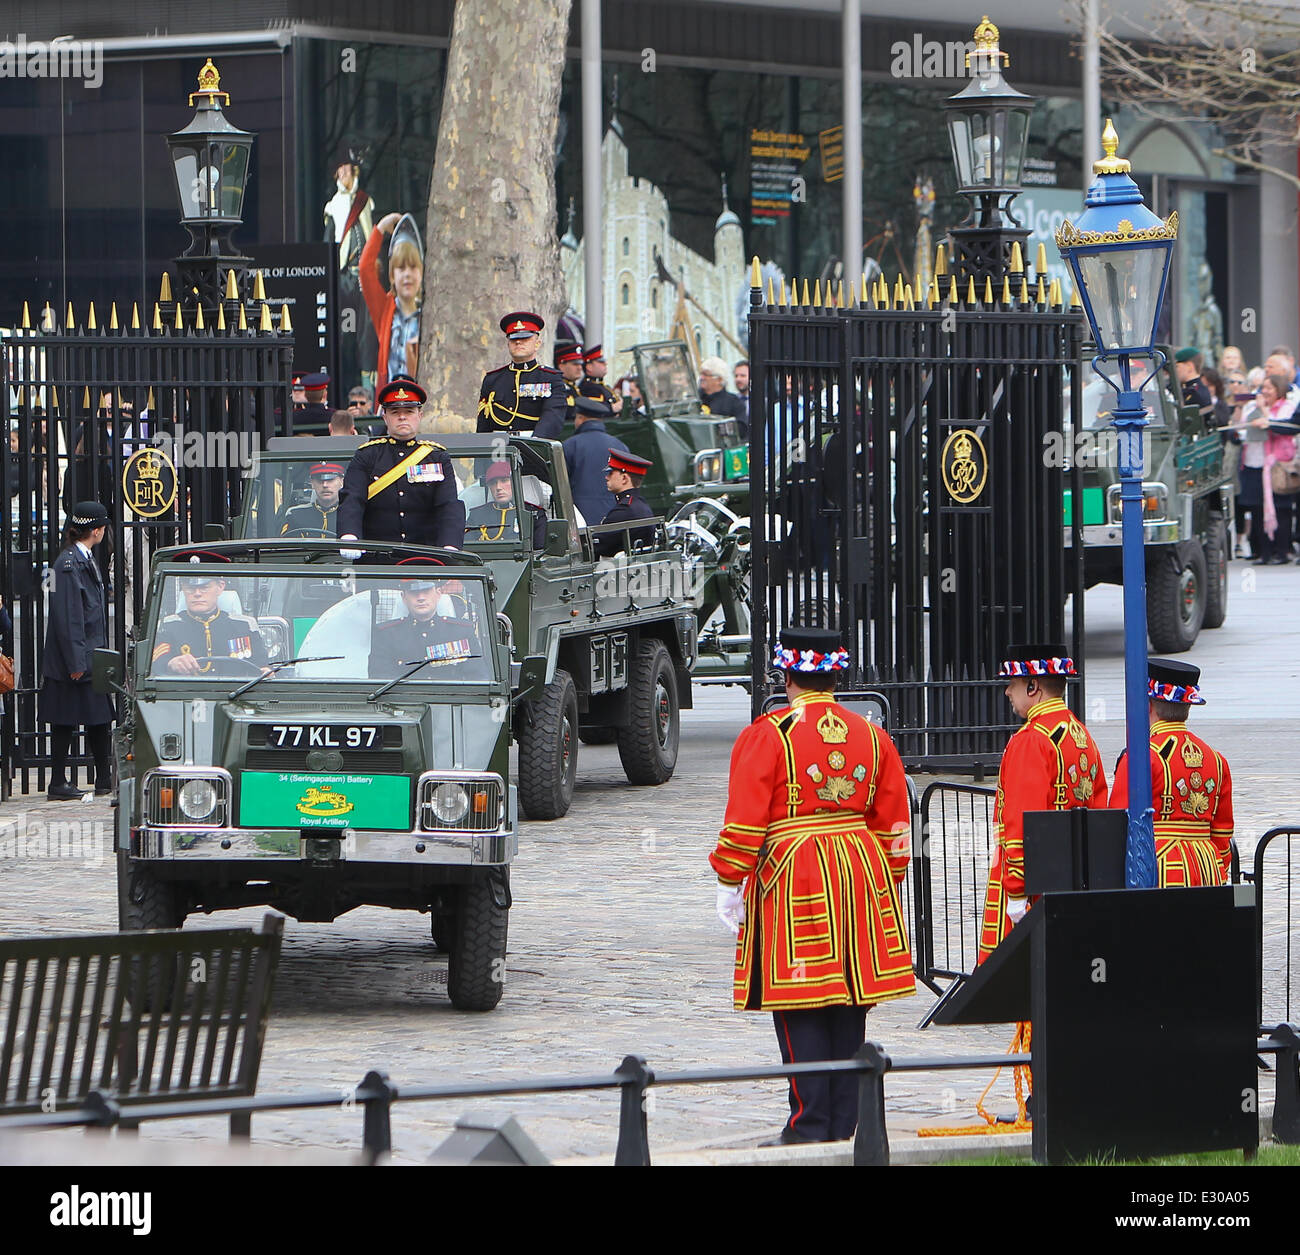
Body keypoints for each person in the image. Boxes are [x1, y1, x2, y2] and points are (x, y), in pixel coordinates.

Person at [710, 627, 914, 1144]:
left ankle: (809, 1124)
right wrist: (885, 878)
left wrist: (730, 878)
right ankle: (846, 1122)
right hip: (860, 868)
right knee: (850, 996)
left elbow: (746, 820)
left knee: (799, 998)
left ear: (786, 675)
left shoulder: (770, 733)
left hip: (796, 870)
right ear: (836, 674)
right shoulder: (870, 734)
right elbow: (895, 821)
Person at [977, 643, 1110, 963]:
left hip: (1036, 879)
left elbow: (1021, 822)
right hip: (1073, 875)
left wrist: (1017, 892)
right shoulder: (1082, 736)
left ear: (1033, 686)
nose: (1008, 691)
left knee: (1028, 980)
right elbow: (1100, 809)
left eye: (1014, 683)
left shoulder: (1031, 739)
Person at [1109, 659, 1233, 887]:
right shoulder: (1216, 760)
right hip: (1207, 870)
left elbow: (1116, 825)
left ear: (1147, 705)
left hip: (1158, 869)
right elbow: (1222, 834)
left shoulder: (1142, 756)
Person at [39, 501, 115, 800]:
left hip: (86, 654)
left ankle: (103, 778)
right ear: (96, 530)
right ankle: (59, 781)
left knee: (97, 717)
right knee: (66, 720)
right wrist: (76, 661)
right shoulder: (67, 564)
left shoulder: (82, 558)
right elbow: (68, 616)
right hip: (75, 659)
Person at [337, 375, 465, 550]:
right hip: (377, 559)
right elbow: (353, 498)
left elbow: (448, 505)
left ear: (420, 415)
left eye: (409, 412)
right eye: (395, 412)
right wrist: (349, 535)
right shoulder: (367, 455)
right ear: (385, 417)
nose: (402, 417)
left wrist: (450, 546)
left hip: (425, 557)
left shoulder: (437, 457)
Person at [1232, 373, 1298, 565]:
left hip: (1276, 466)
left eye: (1269, 388)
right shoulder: (1252, 406)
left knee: (1280, 509)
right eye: (1264, 387)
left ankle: (1282, 550)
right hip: (1253, 462)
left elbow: (1280, 427)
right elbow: (1241, 428)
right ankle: (1262, 551)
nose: (1265, 391)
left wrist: (1265, 413)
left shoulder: (1286, 407)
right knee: (1256, 509)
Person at [151, 573, 269, 675]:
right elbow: (156, 662)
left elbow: (262, 668)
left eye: (204, 587)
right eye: (190, 588)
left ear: (220, 587)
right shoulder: (168, 626)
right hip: (185, 697)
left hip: (235, 696)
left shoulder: (244, 626)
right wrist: (171, 663)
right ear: (183, 588)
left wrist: (266, 672)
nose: (197, 593)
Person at [476, 312, 567, 439]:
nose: (518, 342)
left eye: (525, 338)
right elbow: (484, 422)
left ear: (537, 344)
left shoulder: (550, 378)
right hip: (498, 447)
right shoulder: (493, 379)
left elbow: (553, 417)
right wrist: (481, 451)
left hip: (534, 444)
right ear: (508, 343)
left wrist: (536, 441)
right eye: (513, 338)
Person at [360, 211, 423, 393]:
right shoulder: (385, 309)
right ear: (392, 276)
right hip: (390, 403)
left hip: (418, 403)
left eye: (413, 267)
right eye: (401, 268)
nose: (407, 275)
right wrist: (380, 229)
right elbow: (365, 269)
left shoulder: (429, 312)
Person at [368, 574, 479, 678]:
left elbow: (478, 677)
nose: (421, 597)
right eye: (414, 592)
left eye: (426, 591)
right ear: (403, 597)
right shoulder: (386, 635)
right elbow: (380, 679)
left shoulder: (461, 632)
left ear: (438, 593)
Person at [563, 395, 629, 525]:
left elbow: (562, 486)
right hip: (614, 517)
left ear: (581, 418)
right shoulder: (620, 446)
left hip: (579, 519)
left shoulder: (569, 446)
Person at [464, 460, 546, 547]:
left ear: (514, 483)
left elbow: (539, 551)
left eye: (504, 480)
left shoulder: (534, 515)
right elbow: (467, 548)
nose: (498, 487)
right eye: (493, 483)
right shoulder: (477, 515)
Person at [591, 450, 655, 557]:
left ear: (624, 478)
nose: (606, 477)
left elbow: (595, 547)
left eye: (611, 473)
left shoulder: (625, 511)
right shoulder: (640, 505)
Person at [281, 461, 345, 535]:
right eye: (319, 480)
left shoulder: (353, 516)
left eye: (330, 480)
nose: (325, 485)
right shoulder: (295, 515)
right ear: (312, 483)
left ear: (341, 482)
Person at [698, 356, 746, 423]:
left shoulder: (734, 404)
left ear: (719, 379)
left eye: (705, 374)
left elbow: (741, 429)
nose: (701, 377)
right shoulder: (695, 399)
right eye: (701, 374)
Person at [1173, 347, 1213, 424]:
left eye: (1177, 366)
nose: (1175, 370)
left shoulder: (1195, 393)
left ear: (1189, 366)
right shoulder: (1187, 388)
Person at [733, 359, 751, 435]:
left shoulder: (763, 403)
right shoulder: (731, 401)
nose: (738, 379)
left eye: (743, 376)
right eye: (736, 376)